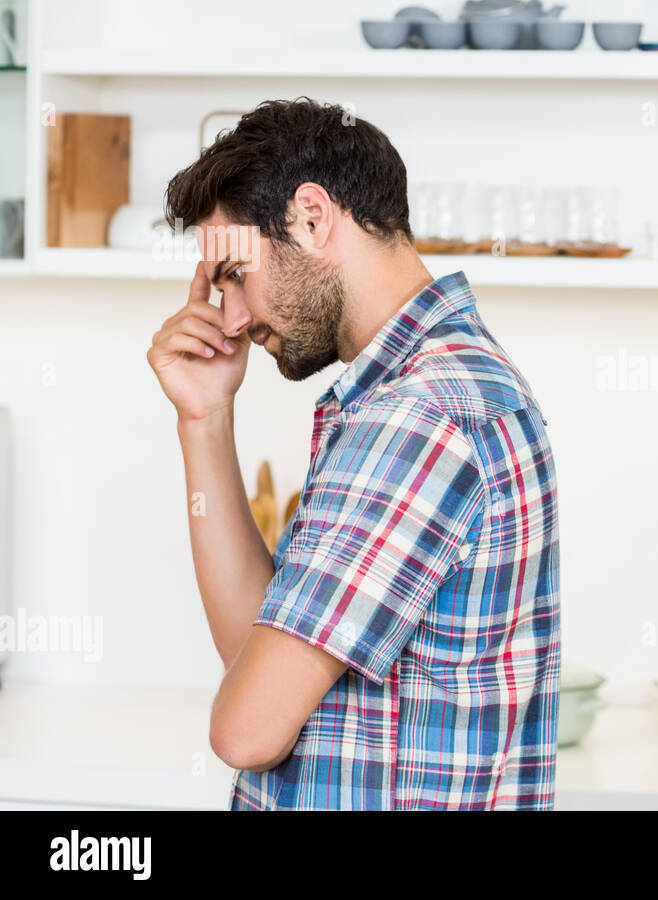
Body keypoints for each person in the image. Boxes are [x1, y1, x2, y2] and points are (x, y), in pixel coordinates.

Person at [146, 97, 560, 810]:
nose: (232, 317)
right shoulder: (429, 388)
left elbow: (247, 731)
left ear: (312, 217)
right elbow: (256, 658)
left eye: (235, 274)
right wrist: (205, 420)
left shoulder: (417, 418)